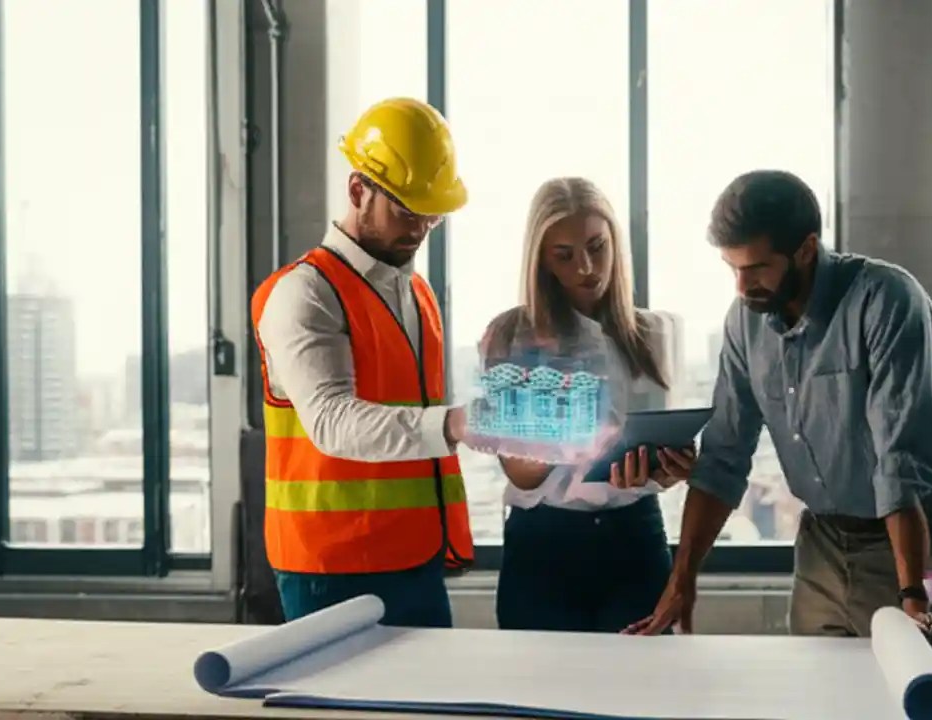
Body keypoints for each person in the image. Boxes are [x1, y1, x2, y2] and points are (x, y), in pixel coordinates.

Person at [627, 170, 932, 676]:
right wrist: (682, 581)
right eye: (732, 268)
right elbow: (724, 456)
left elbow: (899, 467)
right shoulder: (744, 321)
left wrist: (914, 595)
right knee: (818, 699)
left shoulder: (887, 301)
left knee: (918, 702)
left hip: (923, 549)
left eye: (757, 268)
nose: (743, 285)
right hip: (822, 547)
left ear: (807, 248)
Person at [250, 97, 476, 627]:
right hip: (331, 568)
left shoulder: (418, 293)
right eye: (406, 211)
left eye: (432, 215)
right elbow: (331, 421)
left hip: (414, 558)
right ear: (358, 190)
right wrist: (457, 423)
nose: (421, 228)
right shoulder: (305, 293)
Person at [478, 177, 697, 633]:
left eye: (598, 246)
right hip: (544, 544)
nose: (587, 267)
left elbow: (663, 453)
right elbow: (520, 472)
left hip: (634, 535)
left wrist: (670, 467)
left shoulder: (656, 333)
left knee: (642, 694)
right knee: (542, 696)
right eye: (565, 255)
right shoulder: (509, 335)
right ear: (540, 259)